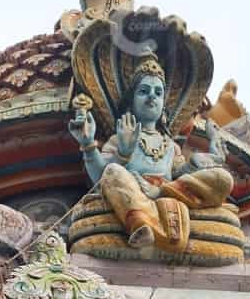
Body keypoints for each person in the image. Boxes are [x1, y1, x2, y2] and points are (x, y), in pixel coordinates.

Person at [68, 54, 233, 248]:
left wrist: (209, 157)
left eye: (158, 92)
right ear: (131, 102)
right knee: (114, 172)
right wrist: (94, 145)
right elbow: (101, 178)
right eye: (144, 91)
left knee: (224, 178)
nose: (152, 96)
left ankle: (152, 206)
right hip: (135, 193)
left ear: (163, 105)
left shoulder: (170, 146)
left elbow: (182, 176)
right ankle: (140, 224)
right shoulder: (119, 137)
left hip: (166, 192)